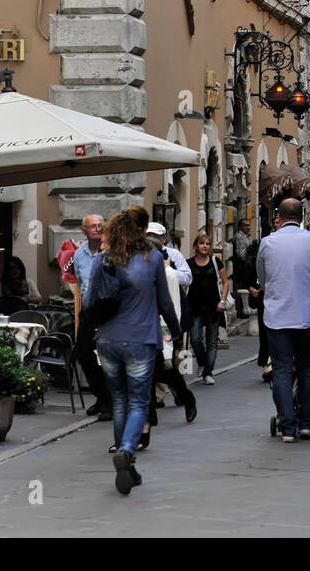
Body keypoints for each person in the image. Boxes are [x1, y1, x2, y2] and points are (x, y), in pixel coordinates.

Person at [87, 205, 180, 495]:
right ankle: (127, 449)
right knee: (140, 401)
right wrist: (176, 330)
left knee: (119, 400)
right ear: (141, 232)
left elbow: (90, 302)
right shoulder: (152, 258)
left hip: (107, 340)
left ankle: (126, 460)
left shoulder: (102, 259)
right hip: (140, 339)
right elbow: (165, 302)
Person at [257, 198, 310, 443]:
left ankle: (287, 426)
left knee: (282, 371)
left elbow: (263, 279)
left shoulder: (267, 243)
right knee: (308, 367)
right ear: (302, 216)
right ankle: (305, 423)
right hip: (307, 315)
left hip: (277, 316)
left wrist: (274, 295)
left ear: (279, 215)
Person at [139, 237, 197, 450]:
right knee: (153, 372)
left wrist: (171, 333)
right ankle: (152, 411)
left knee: (162, 370)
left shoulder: (169, 274)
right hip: (145, 329)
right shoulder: (145, 272)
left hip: (161, 328)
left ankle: (185, 396)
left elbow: (172, 304)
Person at [71, 214, 112, 420]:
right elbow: (81, 283)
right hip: (89, 311)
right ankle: (101, 396)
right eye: (93, 226)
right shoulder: (79, 255)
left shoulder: (111, 253)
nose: (97, 229)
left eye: (100, 225)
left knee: (106, 357)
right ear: (84, 231)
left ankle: (109, 401)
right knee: (84, 353)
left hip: (108, 310)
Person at [186, 233, 228, 384]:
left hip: (213, 307)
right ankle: (203, 363)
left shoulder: (216, 262)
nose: (205, 246)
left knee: (212, 342)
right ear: (196, 245)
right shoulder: (188, 263)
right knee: (195, 339)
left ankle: (208, 373)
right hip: (195, 307)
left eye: (208, 243)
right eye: (202, 243)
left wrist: (222, 300)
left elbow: (225, 282)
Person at [231, 218, 256, 318]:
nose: (248, 227)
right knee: (240, 288)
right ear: (241, 227)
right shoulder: (240, 237)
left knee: (244, 288)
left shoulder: (247, 237)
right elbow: (241, 254)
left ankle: (243, 310)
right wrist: (251, 259)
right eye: (246, 225)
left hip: (245, 268)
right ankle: (240, 311)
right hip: (241, 268)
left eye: (249, 225)